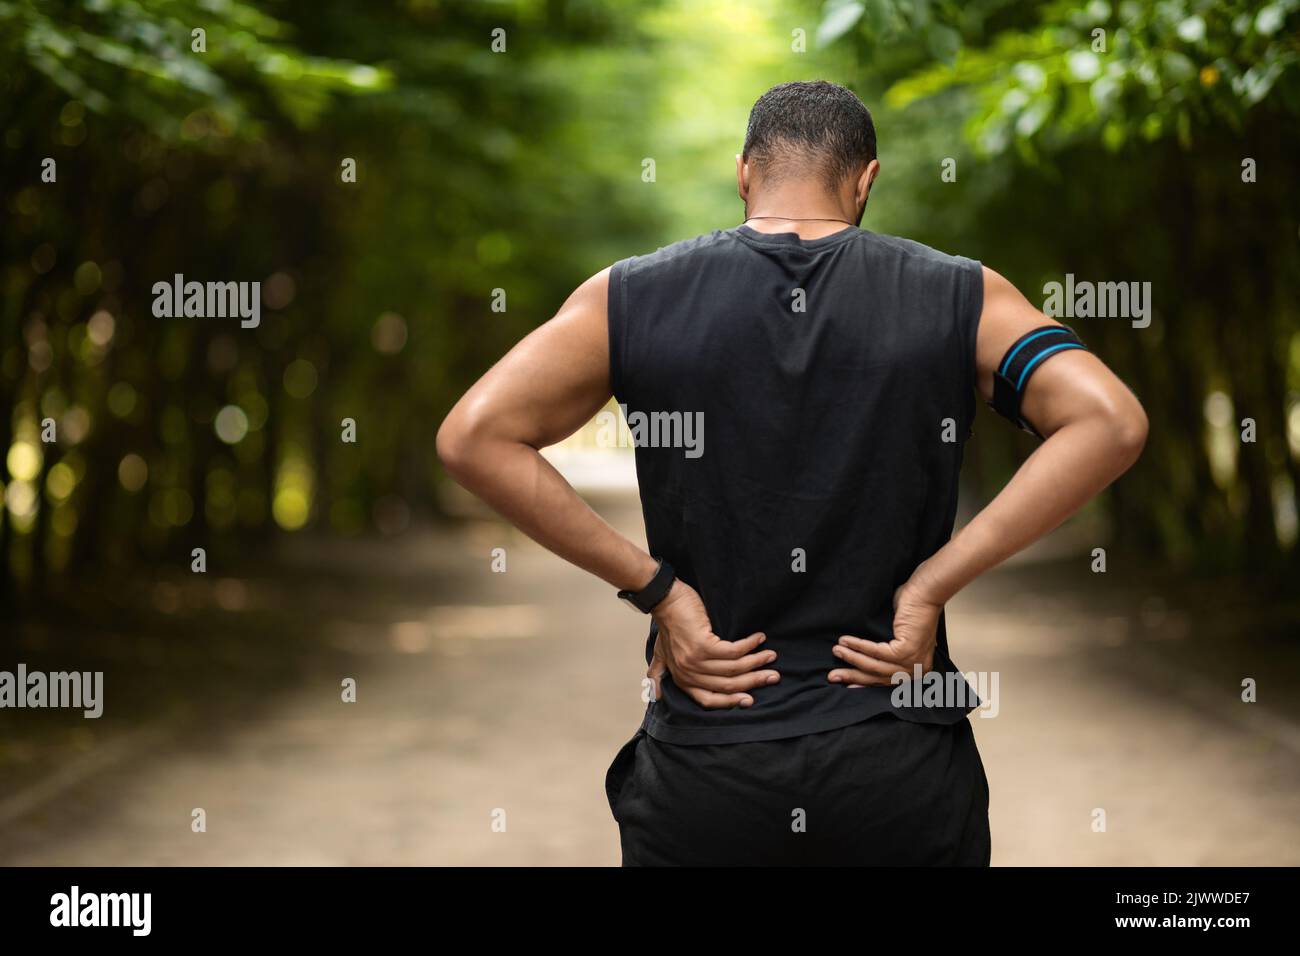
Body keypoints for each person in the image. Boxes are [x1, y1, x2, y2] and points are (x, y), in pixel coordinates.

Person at [436, 80, 1147, 866]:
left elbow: (474, 437)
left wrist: (660, 592)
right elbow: (1110, 423)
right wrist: (932, 584)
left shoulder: (633, 296)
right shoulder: (959, 295)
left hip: (708, 761)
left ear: (743, 173)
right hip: (897, 762)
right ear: (866, 179)